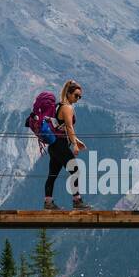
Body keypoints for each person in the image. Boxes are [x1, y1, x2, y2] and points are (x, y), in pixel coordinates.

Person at [44, 79, 91, 210]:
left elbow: (62, 127)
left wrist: (77, 141)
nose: (78, 98)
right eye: (76, 95)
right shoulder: (68, 107)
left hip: (53, 145)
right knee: (75, 170)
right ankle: (77, 200)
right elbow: (69, 127)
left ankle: (48, 202)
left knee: (52, 174)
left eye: (80, 97)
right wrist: (75, 145)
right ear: (69, 94)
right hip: (61, 145)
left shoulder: (59, 105)